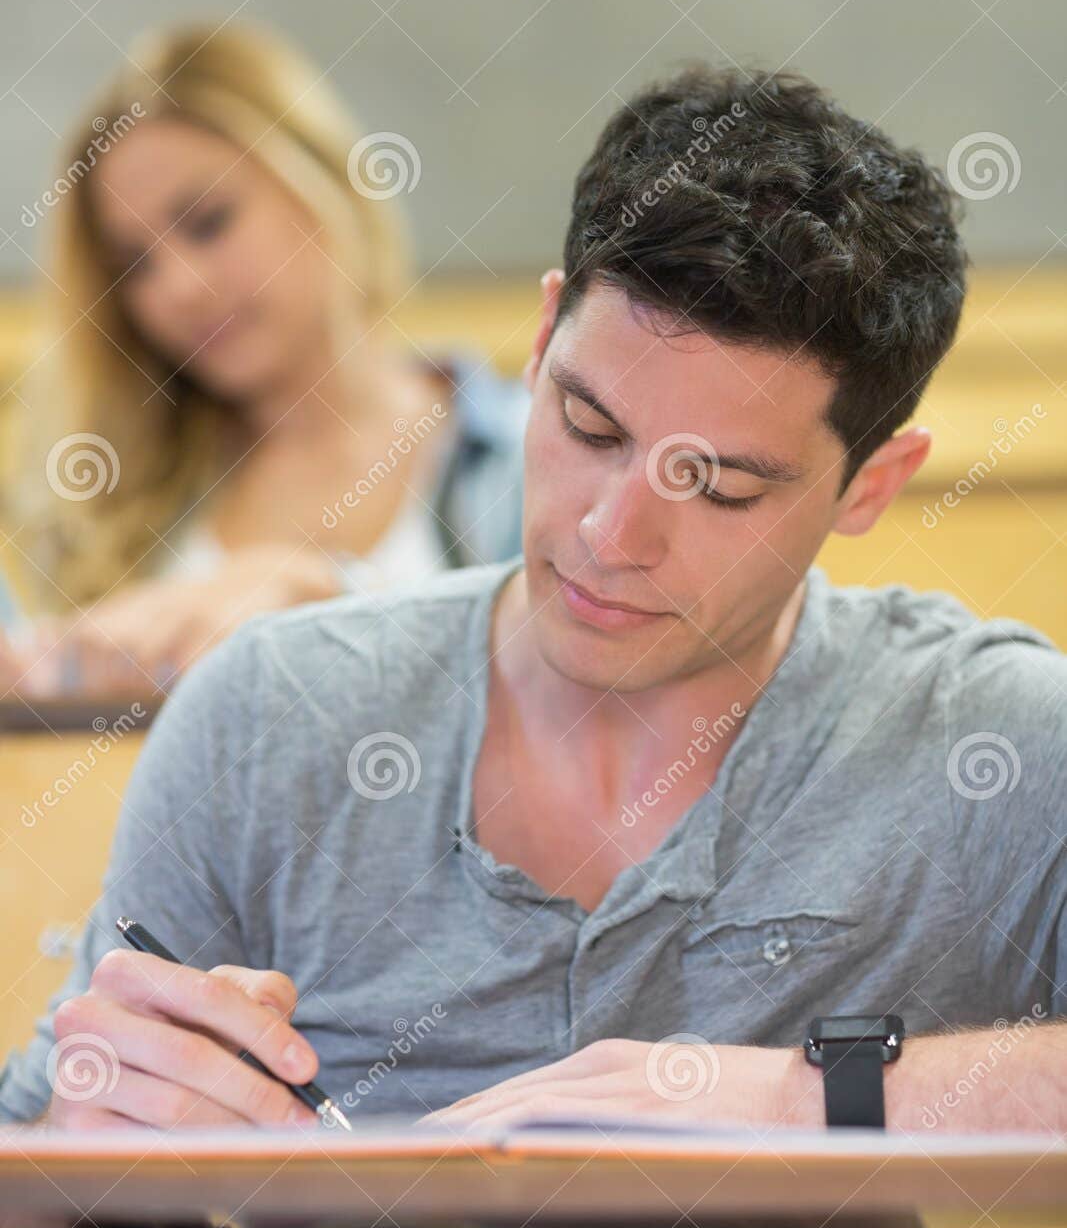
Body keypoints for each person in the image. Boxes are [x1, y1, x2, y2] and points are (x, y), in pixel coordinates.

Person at [2, 66, 1064, 1134]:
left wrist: (804, 1095)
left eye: (721, 485)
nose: (609, 536)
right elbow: (26, 1205)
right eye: (587, 428)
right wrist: (82, 1167)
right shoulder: (268, 717)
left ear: (868, 483)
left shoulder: (986, 741)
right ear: (546, 334)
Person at [0, 21, 526, 697]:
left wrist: (325, 595)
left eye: (208, 221)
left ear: (321, 181)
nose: (179, 290)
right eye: (135, 266)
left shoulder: (532, 457)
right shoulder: (96, 507)